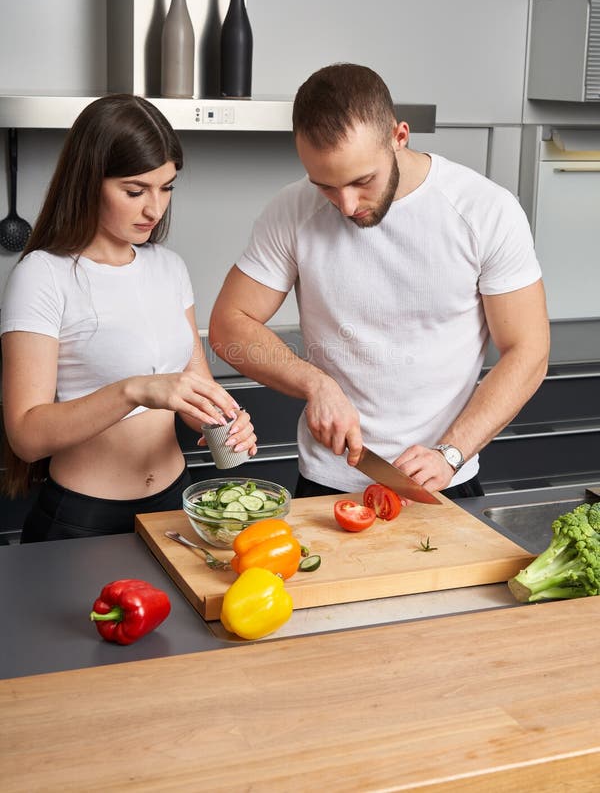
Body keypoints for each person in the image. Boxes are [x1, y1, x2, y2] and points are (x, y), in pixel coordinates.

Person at [209, 63, 550, 500]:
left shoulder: (485, 211)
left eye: (361, 181)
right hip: (327, 482)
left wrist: (450, 453)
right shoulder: (292, 210)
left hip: (444, 478)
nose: (347, 205)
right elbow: (228, 324)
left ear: (399, 136)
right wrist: (315, 383)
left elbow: (529, 351)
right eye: (326, 187)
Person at [1, 94, 257, 542]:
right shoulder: (42, 274)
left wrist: (229, 420)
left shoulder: (169, 267)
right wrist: (134, 390)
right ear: (88, 181)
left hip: (178, 506)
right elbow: (25, 433)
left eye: (167, 187)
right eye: (135, 191)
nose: (154, 209)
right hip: (84, 521)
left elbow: (196, 391)